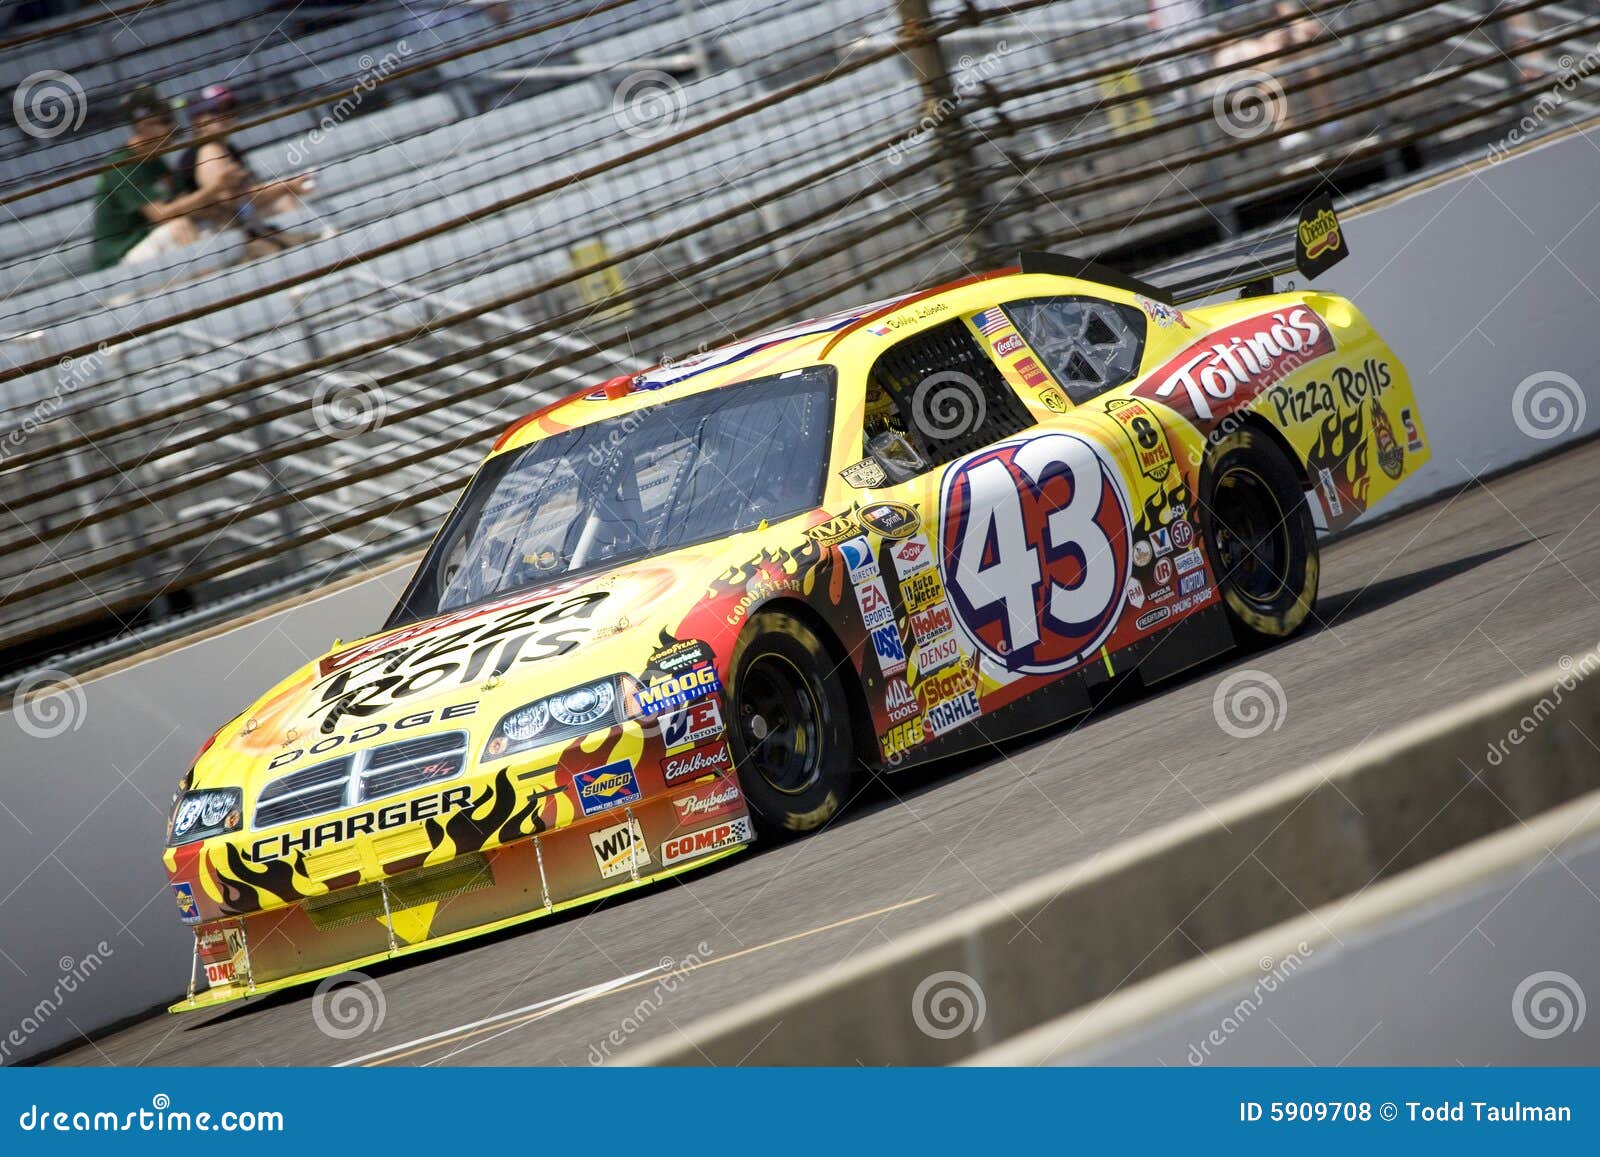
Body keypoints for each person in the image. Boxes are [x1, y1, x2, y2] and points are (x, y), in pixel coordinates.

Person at [90, 86, 244, 270]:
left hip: (152, 247)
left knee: (218, 227)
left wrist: (213, 209)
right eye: (165, 121)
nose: (173, 127)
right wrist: (215, 189)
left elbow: (182, 203)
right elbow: (160, 215)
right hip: (120, 259)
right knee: (179, 226)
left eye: (173, 119)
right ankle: (208, 282)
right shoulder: (121, 164)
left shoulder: (156, 161)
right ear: (141, 125)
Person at [178, 84, 320, 259]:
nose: (225, 116)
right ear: (198, 120)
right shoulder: (208, 151)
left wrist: (285, 188)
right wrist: (286, 186)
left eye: (229, 109)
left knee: (284, 201)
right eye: (215, 111)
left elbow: (242, 201)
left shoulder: (227, 148)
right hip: (210, 232)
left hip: (236, 223)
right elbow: (231, 203)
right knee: (281, 201)